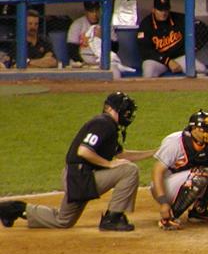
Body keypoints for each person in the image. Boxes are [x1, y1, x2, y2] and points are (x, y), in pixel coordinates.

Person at [0, 92, 154, 232]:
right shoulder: (104, 123)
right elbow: (84, 151)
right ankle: (113, 218)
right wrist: (109, 164)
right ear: (109, 108)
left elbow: (121, 154)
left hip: (80, 175)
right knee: (129, 170)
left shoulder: (109, 126)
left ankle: (14, 209)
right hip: (79, 177)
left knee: (63, 220)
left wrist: (153, 153)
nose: (127, 113)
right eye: (124, 108)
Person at [137, 0, 207, 77]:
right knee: (148, 70)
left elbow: (201, 26)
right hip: (158, 61)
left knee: (201, 69)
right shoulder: (146, 24)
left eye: (166, 9)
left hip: (179, 58)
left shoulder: (179, 18)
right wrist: (168, 61)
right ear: (153, 9)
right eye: (160, 10)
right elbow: (146, 51)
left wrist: (194, 47)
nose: (163, 13)